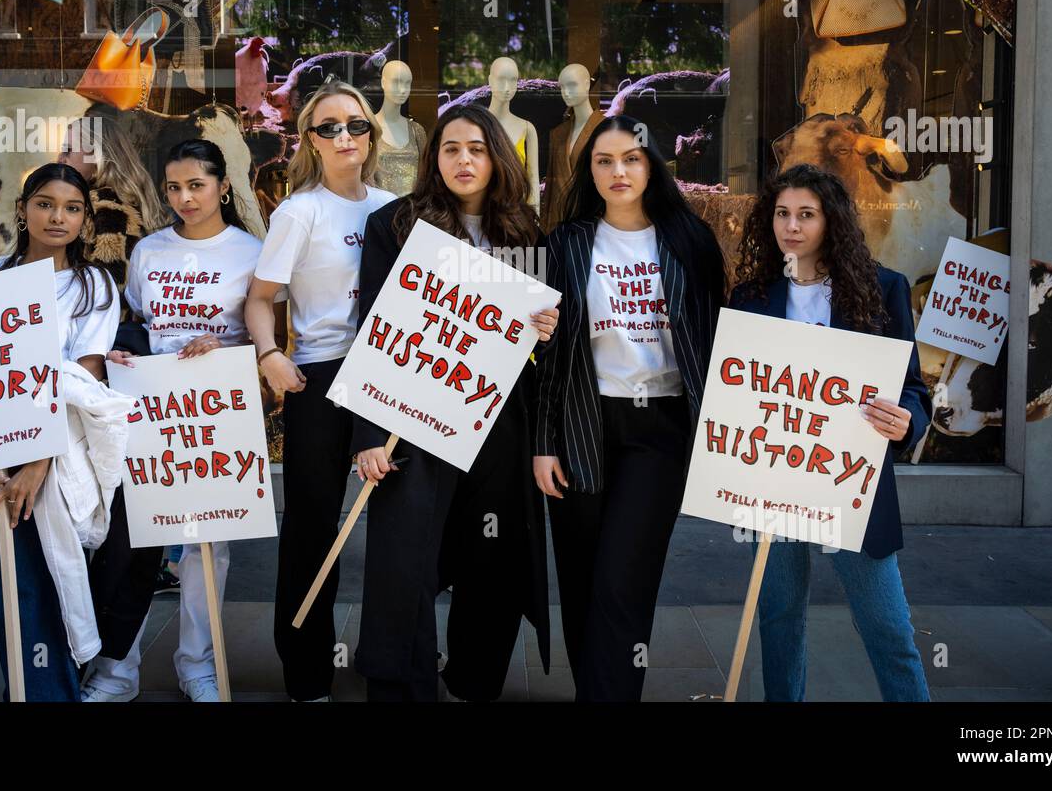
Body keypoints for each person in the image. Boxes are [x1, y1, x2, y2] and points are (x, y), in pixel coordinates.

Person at [352, 104, 558, 701]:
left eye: (476, 148)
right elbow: (372, 326)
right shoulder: (395, 225)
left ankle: (474, 678)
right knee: (405, 555)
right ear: (432, 158)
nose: (463, 160)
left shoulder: (524, 232)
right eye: (450, 149)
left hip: (498, 417)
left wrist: (544, 328)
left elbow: (539, 342)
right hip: (412, 416)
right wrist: (369, 433)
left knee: (490, 553)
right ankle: (402, 683)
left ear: (497, 157)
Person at [534, 114, 725, 702]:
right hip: (581, 424)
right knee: (582, 574)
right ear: (588, 171)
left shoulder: (690, 239)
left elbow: (719, 336)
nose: (618, 171)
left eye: (631, 159)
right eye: (604, 161)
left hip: (659, 430)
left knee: (624, 577)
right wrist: (543, 442)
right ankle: (597, 687)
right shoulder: (563, 243)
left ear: (651, 166)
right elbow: (550, 356)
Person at [731, 162, 931, 702]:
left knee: (888, 629)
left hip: (851, 485)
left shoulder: (882, 289)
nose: (790, 226)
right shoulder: (750, 299)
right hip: (772, 481)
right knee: (778, 621)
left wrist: (908, 418)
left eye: (806, 215)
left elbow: (913, 389)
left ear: (831, 221)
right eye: (781, 214)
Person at [80, 139, 262, 703]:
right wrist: (121, 355)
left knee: (206, 545)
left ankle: (198, 666)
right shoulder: (150, 251)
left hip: (214, 410)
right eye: (174, 188)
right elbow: (138, 319)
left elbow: (267, 335)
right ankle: (117, 670)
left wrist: (227, 342)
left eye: (197, 186)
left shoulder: (251, 251)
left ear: (223, 187)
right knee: (133, 541)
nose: (184, 198)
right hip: (151, 407)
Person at [245, 80, 396, 702]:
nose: (344, 137)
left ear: (371, 134)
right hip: (323, 376)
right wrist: (270, 354)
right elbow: (260, 300)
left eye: (354, 125)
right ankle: (307, 672)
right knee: (312, 529)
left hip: (390, 372)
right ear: (310, 138)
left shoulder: (396, 205)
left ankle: (392, 654)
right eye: (328, 127)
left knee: (402, 525)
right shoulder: (298, 210)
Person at [0, 162, 120, 701]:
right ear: (23, 209)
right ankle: (24, 689)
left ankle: (57, 693)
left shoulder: (93, 285)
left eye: (73, 208)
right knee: (10, 582)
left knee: (55, 576)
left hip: (53, 454)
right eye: (46, 204)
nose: (58, 217)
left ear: (85, 220)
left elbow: (85, 377)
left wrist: (38, 462)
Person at [57, 113, 168, 292]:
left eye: (68, 150)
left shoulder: (106, 207)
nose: (61, 158)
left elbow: (111, 287)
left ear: (96, 155)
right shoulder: (117, 202)